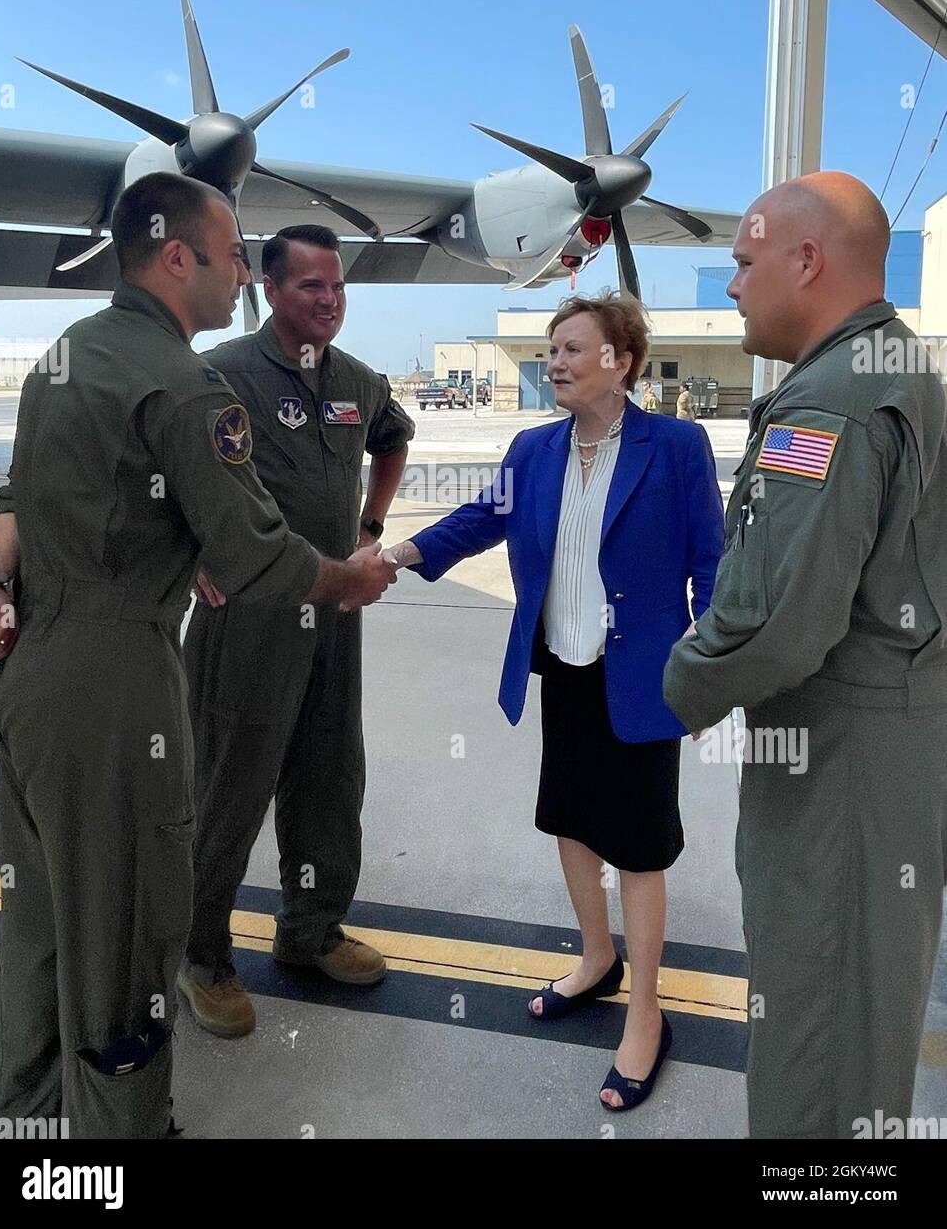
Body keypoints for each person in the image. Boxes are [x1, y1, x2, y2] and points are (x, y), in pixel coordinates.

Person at [0, 173, 394, 1138]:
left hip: (29, 670)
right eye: (234, 253)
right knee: (125, 931)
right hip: (114, 682)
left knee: (43, 923)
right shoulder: (184, 383)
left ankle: (32, 1127)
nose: (242, 269)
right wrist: (347, 578)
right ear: (177, 257)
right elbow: (257, 553)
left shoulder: (66, 355)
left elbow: (17, 506)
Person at [385, 290, 724, 1110]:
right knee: (571, 823)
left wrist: (709, 664)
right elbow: (481, 519)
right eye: (552, 348)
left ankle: (646, 1012)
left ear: (621, 361)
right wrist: (398, 550)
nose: (555, 362)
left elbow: (710, 561)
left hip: (641, 677)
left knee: (640, 849)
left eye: (573, 348)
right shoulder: (534, 449)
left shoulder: (674, 447)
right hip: (565, 671)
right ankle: (596, 959)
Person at [664, 171, 947, 1139]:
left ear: (807, 260)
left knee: (818, 1039)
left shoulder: (828, 402)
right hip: (895, 749)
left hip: (840, 769)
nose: (734, 285)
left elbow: (780, 621)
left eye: (745, 263)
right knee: (865, 1022)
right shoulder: (900, 367)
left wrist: (671, 686)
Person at [178, 224, 414, 1038]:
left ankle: (310, 933)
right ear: (269, 289)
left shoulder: (357, 380)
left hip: (333, 614)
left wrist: (369, 526)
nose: (329, 301)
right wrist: (195, 553)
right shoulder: (220, 373)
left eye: (338, 287)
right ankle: (201, 955)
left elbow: (393, 439)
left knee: (327, 776)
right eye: (310, 286)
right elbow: (163, 472)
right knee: (227, 790)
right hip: (246, 619)